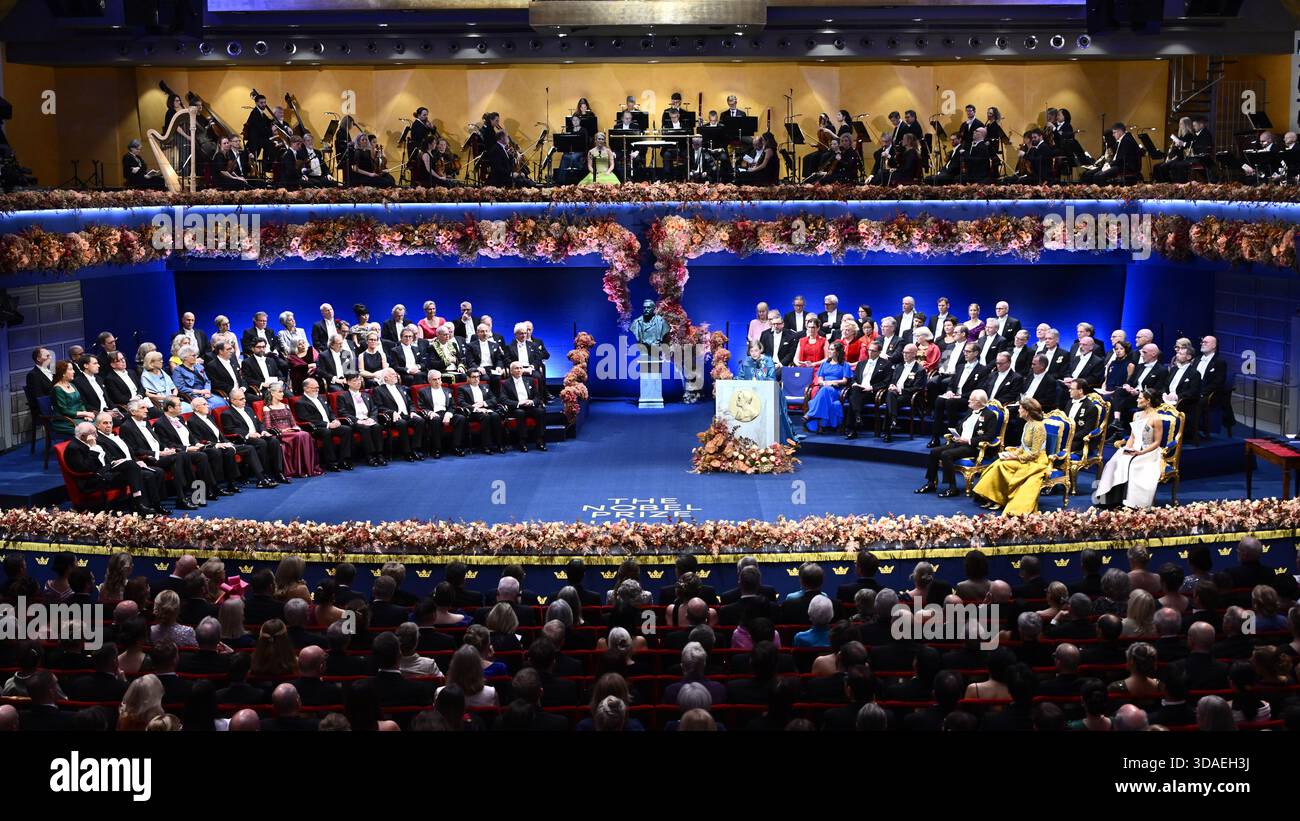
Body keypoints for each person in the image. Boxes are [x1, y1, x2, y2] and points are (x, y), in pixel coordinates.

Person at [972, 397, 1049, 515]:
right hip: (1025, 456)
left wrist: (1014, 457)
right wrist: (1011, 454)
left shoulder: (1038, 427)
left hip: (1036, 462)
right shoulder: (1028, 424)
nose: (1018, 410)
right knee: (998, 463)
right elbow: (1023, 447)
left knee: (1003, 466)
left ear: (1027, 411)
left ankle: (1000, 499)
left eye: (1020, 408)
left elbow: (1034, 453)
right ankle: (994, 498)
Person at [1093, 388, 1164, 509]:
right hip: (1134, 448)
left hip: (1148, 452)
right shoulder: (1136, 415)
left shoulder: (1156, 419)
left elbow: (1157, 442)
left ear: (1148, 401)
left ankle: (1133, 502)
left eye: (1140, 398)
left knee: (1132, 464)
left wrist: (1141, 452)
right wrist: (1127, 448)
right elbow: (1132, 436)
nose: (1137, 399)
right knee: (1114, 462)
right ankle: (1110, 499)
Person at [734, 338, 795, 445]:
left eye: (756, 350)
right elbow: (741, 376)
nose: (754, 353)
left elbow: (772, 378)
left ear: (760, 349)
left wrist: (758, 381)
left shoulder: (768, 360)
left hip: (769, 393)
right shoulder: (747, 361)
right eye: (751, 351)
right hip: (751, 395)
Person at [260, 381, 322, 478]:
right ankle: (300, 470)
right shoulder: (267, 408)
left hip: (291, 432)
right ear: (272, 393)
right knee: (302, 435)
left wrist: (295, 428)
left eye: (282, 391)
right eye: (280, 392)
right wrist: (283, 431)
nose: (282, 394)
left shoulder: (286, 406)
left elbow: (293, 423)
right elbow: (268, 427)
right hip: (280, 433)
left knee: (304, 434)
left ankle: (306, 468)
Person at [804, 341, 852, 434]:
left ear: (838, 352)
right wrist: (824, 382)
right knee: (825, 390)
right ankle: (820, 423)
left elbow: (845, 381)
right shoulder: (824, 364)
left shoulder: (845, 365)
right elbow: (820, 379)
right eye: (829, 349)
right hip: (824, 389)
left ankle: (810, 414)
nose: (829, 351)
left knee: (825, 389)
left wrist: (832, 382)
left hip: (837, 391)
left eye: (832, 349)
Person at [50, 359, 94, 436]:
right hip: (65, 421)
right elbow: (65, 411)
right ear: (63, 373)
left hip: (78, 417)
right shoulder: (57, 389)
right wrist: (85, 413)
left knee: (100, 423)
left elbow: (80, 403)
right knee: (89, 427)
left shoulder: (72, 385)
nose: (74, 371)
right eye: (70, 369)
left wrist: (86, 415)